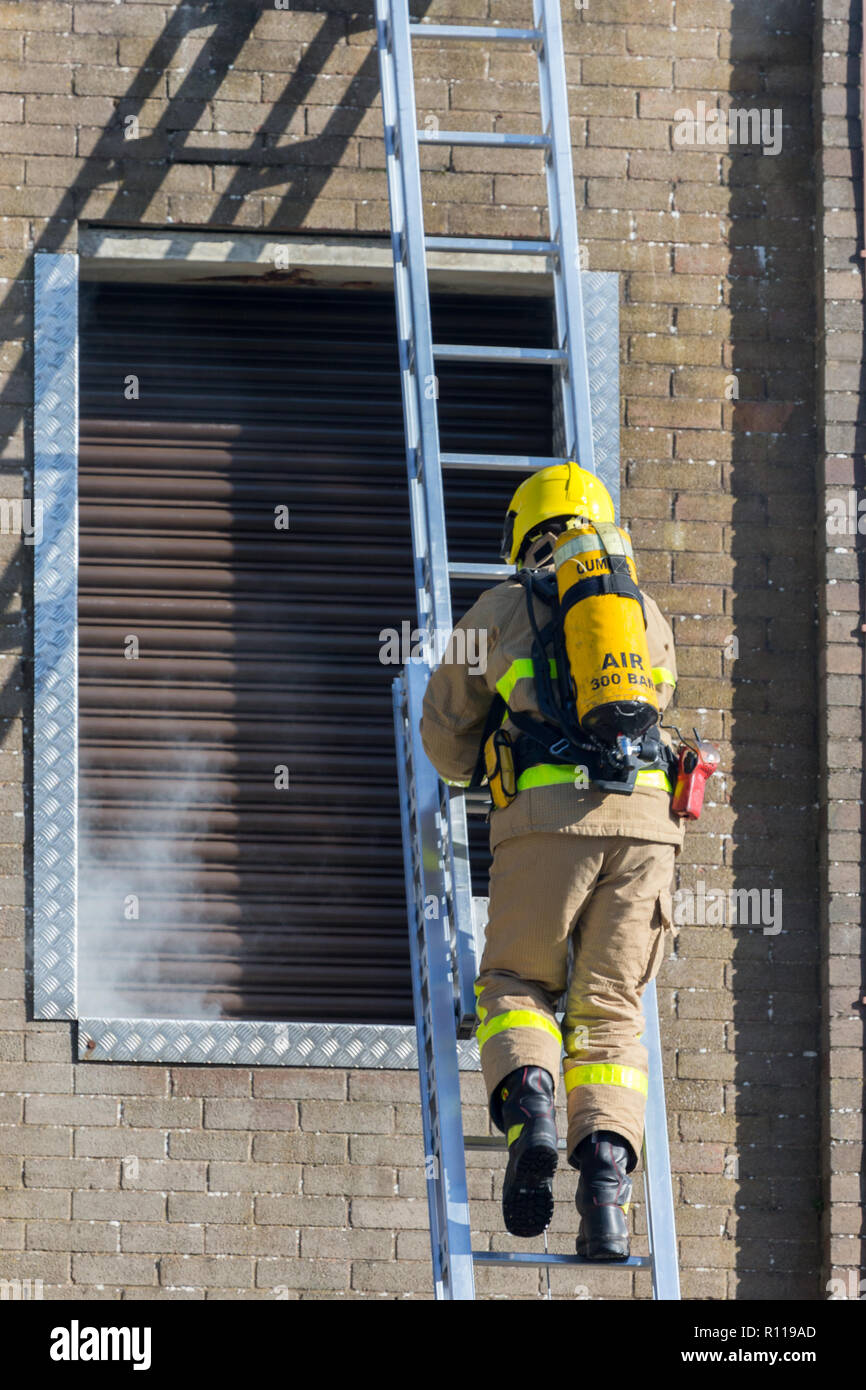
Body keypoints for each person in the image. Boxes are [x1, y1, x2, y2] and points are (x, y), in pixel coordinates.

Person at [420, 463, 685, 1260]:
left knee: (516, 982)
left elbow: (444, 733)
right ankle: (605, 1196)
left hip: (545, 825)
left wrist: (483, 768)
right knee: (609, 1014)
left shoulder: (501, 606)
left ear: (524, 536)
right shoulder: (645, 614)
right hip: (648, 830)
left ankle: (531, 1100)